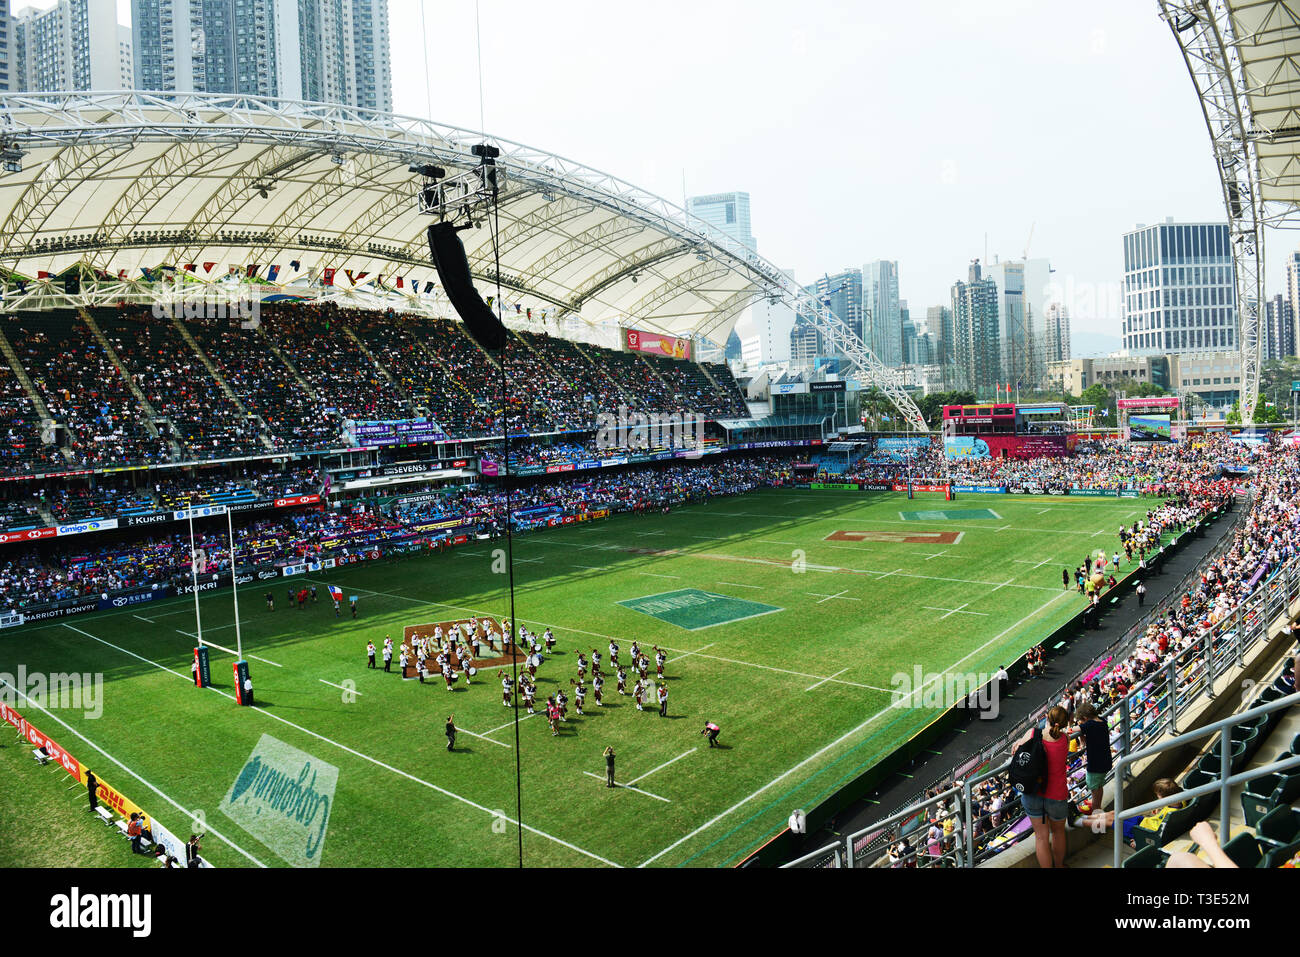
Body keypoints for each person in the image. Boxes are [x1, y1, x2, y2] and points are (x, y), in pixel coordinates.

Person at [1016, 705, 1070, 868]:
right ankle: (1059, 866)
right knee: (1059, 833)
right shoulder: (1065, 739)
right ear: (1064, 724)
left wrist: (1019, 742)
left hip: (1033, 792)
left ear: (1047, 716)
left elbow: (1020, 751)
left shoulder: (1033, 734)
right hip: (1057, 794)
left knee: (1041, 837)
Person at [1075, 703, 1111, 813]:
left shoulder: (1090, 725)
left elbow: (1073, 730)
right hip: (1105, 761)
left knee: (1093, 786)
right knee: (1098, 786)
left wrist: (1080, 726)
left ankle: (1096, 809)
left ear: (1085, 718)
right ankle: (1096, 803)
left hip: (1096, 764)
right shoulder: (1102, 721)